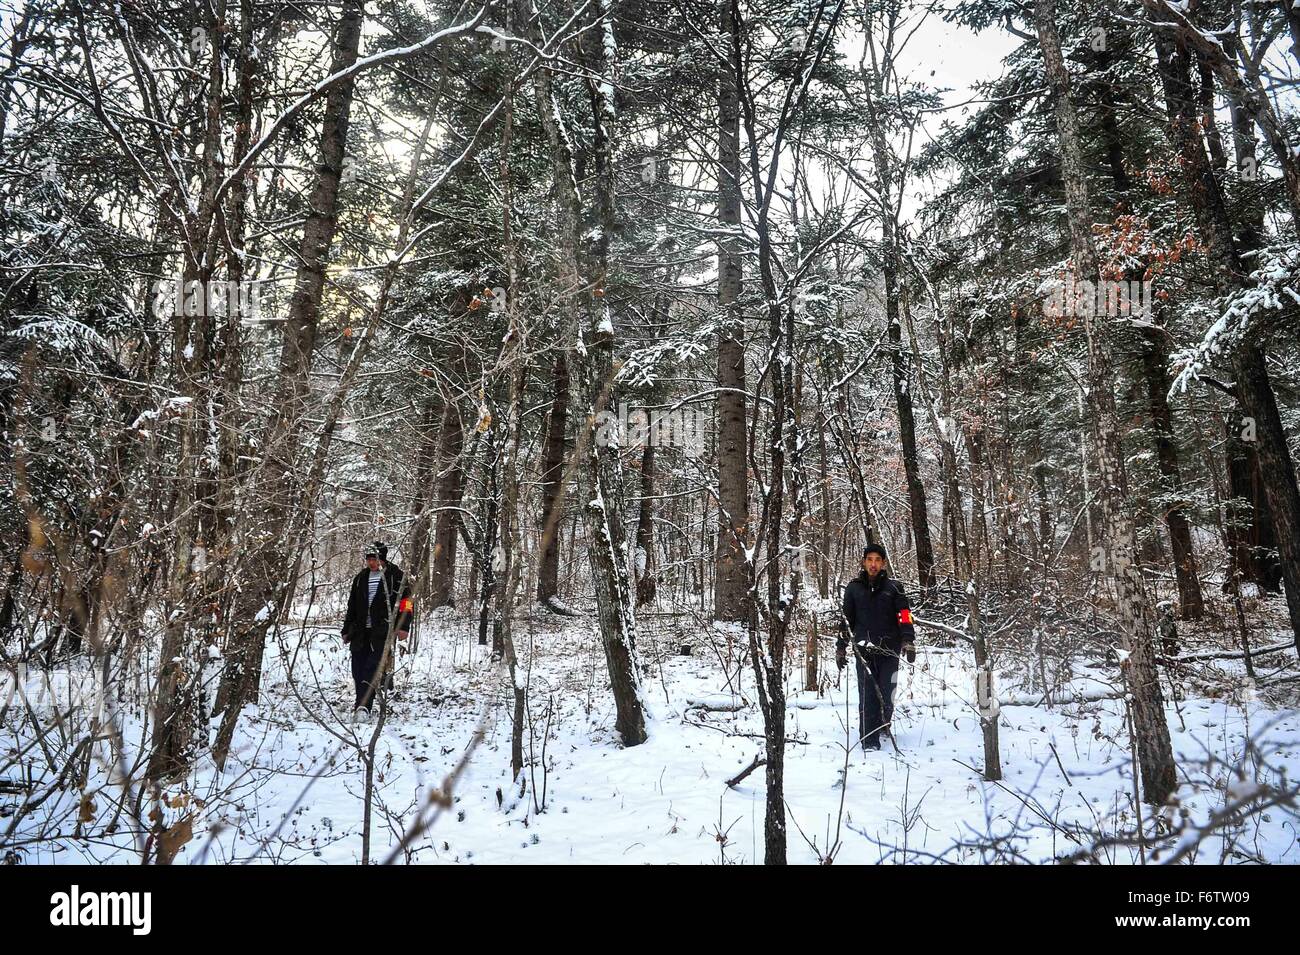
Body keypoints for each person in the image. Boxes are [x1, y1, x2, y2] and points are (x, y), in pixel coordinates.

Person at [837, 543, 917, 750]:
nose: (873, 564)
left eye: (877, 560)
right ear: (864, 562)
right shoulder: (854, 588)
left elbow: (904, 615)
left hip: (890, 650)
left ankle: (883, 724)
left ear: (883, 563)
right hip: (864, 650)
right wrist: (841, 646)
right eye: (869, 560)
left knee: (887, 692)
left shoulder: (894, 588)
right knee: (868, 694)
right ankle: (869, 738)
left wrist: (908, 640)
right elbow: (847, 619)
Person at [342, 542, 412, 713]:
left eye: (374, 559)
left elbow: (407, 604)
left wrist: (404, 626)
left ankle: (363, 707)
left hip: (382, 632)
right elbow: (352, 605)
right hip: (359, 632)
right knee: (358, 670)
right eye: (368, 559)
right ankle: (361, 703)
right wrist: (346, 630)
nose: (371, 563)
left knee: (371, 669)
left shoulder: (396, 576)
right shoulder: (360, 578)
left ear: (383, 559)